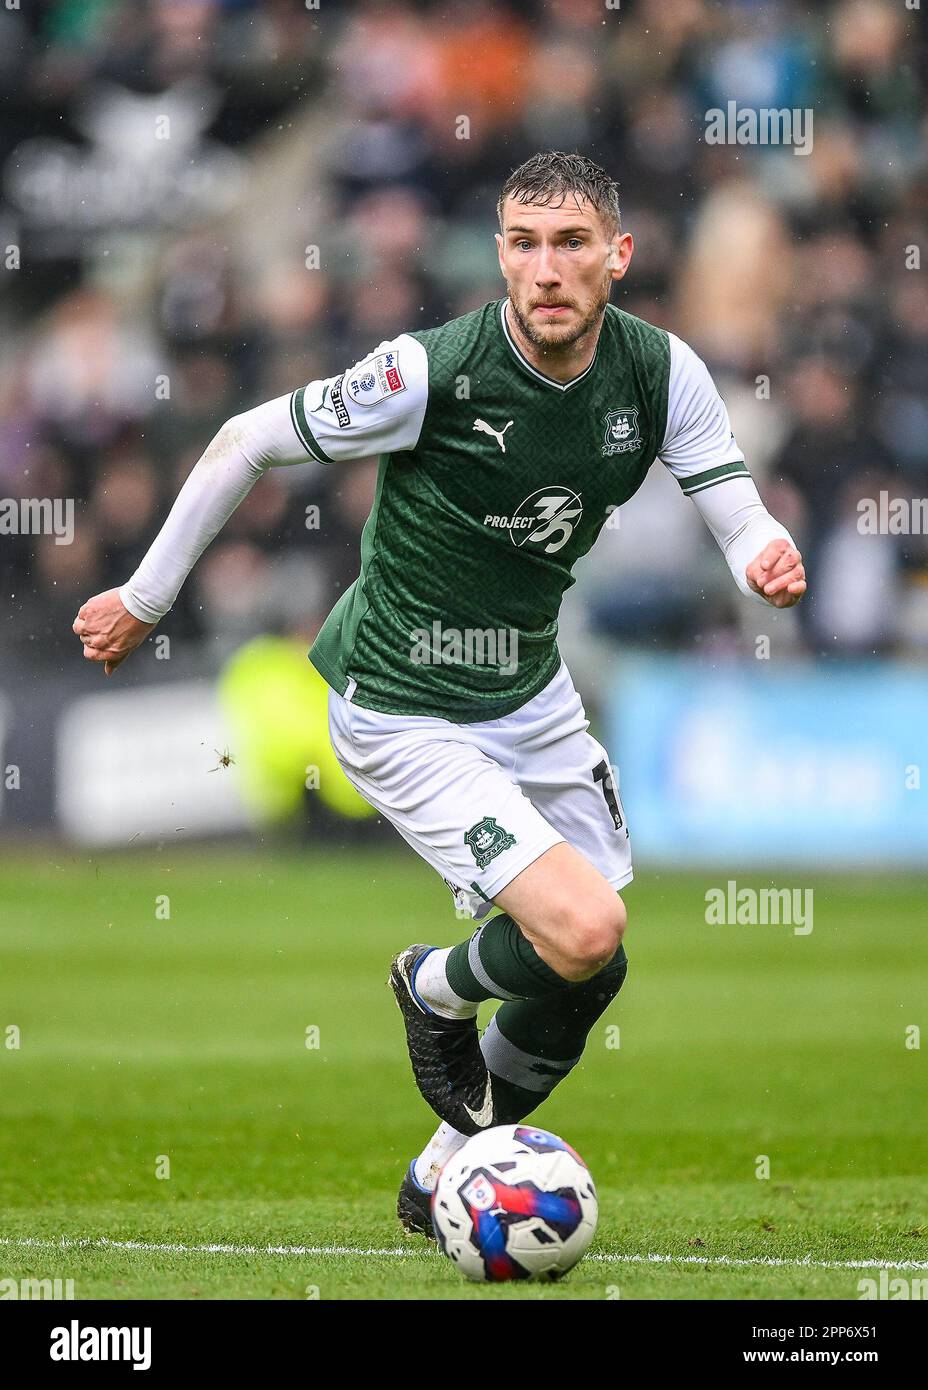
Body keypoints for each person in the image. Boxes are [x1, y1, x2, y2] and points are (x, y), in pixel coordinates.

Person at [72, 151, 806, 1237]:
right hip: (404, 706)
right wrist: (145, 593)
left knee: (583, 970)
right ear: (499, 254)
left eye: (569, 244)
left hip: (529, 693)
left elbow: (736, 507)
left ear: (619, 255)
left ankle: (442, 1175)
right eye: (522, 243)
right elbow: (244, 441)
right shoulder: (431, 373)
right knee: (584, 925)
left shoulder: (660, 374)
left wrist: (766, 551)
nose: (545, 269)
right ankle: (433, 986)